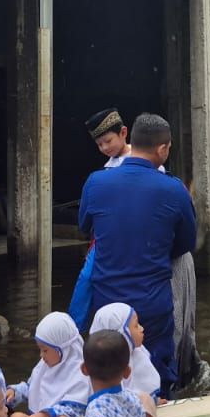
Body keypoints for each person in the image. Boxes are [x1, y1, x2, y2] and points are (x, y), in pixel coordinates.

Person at [78, 113, 197, 392]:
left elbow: (86, 227)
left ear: (129, 137)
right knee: (156, 379)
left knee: (106, 377)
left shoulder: (96, 182)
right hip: (152, 304)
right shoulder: (175, 189)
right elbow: (185, 245)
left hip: (106, 302)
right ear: (163, 149)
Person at [68, 108, 130, 328]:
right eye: (99, 144)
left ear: (124, 132)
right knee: (86, 280)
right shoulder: (104, 170)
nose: (104, 148)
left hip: (133, 234)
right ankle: (74, 332)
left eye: (107, 141)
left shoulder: (143, 162)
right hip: (105, 237)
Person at [86, 303, 163, 417]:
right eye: (136, 325)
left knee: (145, 400)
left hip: (126, 413)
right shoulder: (96, 407)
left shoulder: (139, 355)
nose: (142, 329)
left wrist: (153, 400)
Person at [7, 311, 88, 417]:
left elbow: (76, 409)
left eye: (45, 350)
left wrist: (48, 414)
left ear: (62, 349)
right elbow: (31, 387)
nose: (41, 355)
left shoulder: (80, 371)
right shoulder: (44, 367)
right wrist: (14, 392)